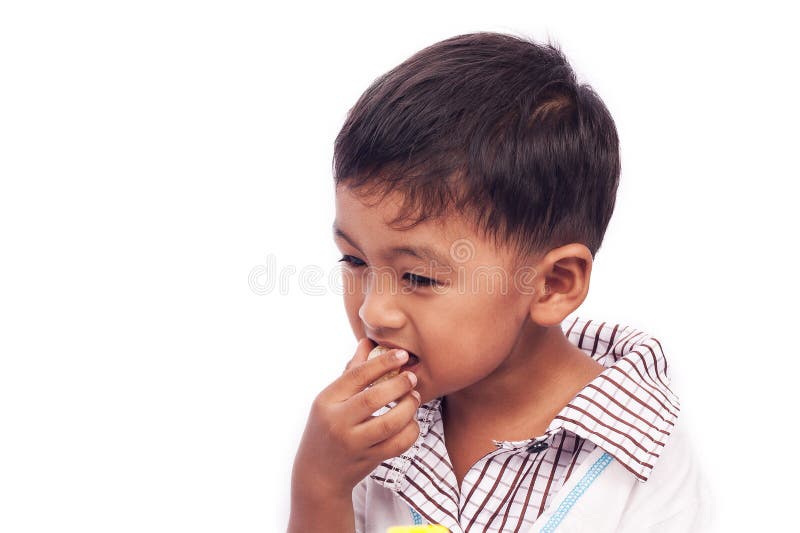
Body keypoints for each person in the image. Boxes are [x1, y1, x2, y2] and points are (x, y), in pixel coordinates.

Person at [288, 32, 712, 533]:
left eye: (419, 276)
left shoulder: (641, 455)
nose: (373, 312)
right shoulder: (368, 435)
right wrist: (319, 486)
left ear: (553, 284)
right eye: (355, 261)